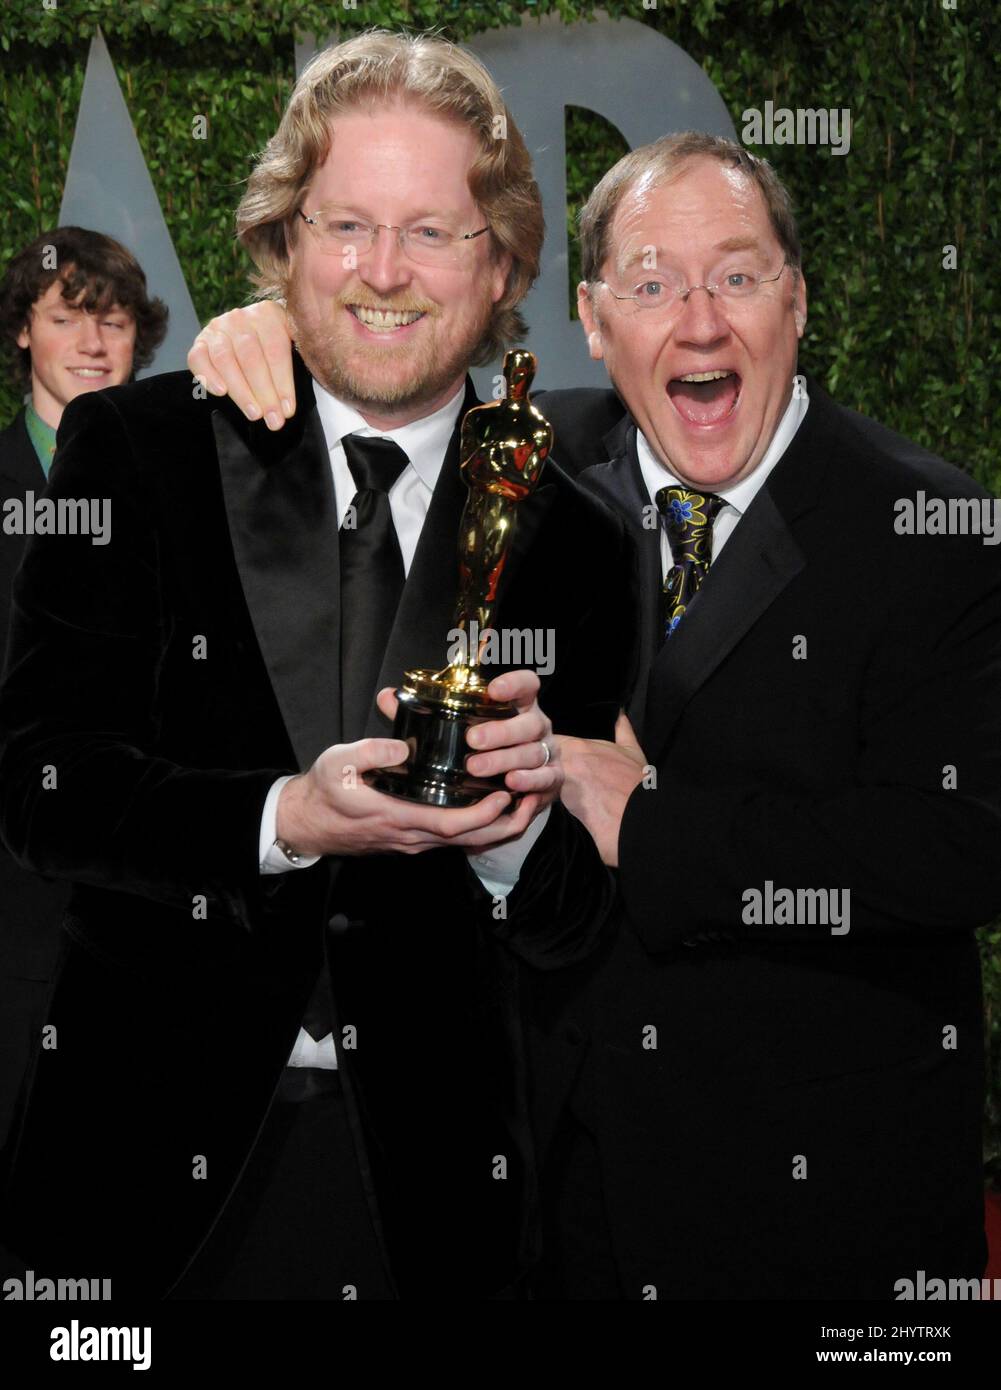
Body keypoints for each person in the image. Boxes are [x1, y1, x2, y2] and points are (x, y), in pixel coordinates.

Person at [195, 129, 1001, 1300]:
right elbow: (381, 360)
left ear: (797, 300)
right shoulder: (537, 458)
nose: (698, 322)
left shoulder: (928, 527)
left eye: (735, 276)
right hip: (557, 1198)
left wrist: (655, 826)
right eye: (648, 284)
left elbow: (963, 845)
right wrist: (265, 338)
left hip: (817, 1211)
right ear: (589, 317)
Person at [0, 32, 632, 1301]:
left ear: (501, 257)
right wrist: (281, 817)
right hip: (138, 1175)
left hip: (433, 1201)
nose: (383, 273)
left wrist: (509, 830)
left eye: (433, 233)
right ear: (285, 241)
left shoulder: (573, 534)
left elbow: (572, 921)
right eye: (345, 225)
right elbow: (41, 782)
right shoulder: (138, 450)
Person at [0, 228, 167, 1174]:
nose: (94, 344)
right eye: (67, 318)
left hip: (143, 921)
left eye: (113, 322)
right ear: (25, 332)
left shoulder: (191, 491)